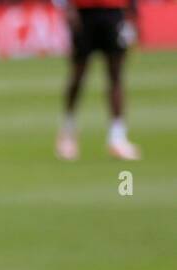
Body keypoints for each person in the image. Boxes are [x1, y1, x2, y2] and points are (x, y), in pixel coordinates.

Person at [56, 0, 141, 160]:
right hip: (84, 11)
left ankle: (117, 137)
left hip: (114, 10)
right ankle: (68, 131)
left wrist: (133, 12)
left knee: (116, 75)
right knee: (78, 74)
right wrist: (68, 8)